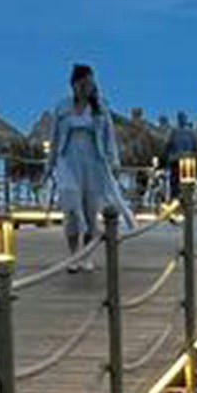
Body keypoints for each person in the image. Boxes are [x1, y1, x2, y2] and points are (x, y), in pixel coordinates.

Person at [45, 62, 129, 270]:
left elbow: (109, 138)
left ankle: (87, 255)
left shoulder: (100, 108)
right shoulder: (62, 107)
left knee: (91, 212)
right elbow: (54, 139)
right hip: (68, 161)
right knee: (72, 206)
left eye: (89, 84)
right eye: (81, 84)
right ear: (73, 84)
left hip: (93, 162)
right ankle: (74, 256)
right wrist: (48, 167)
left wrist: (114, 161)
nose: (85, 88)